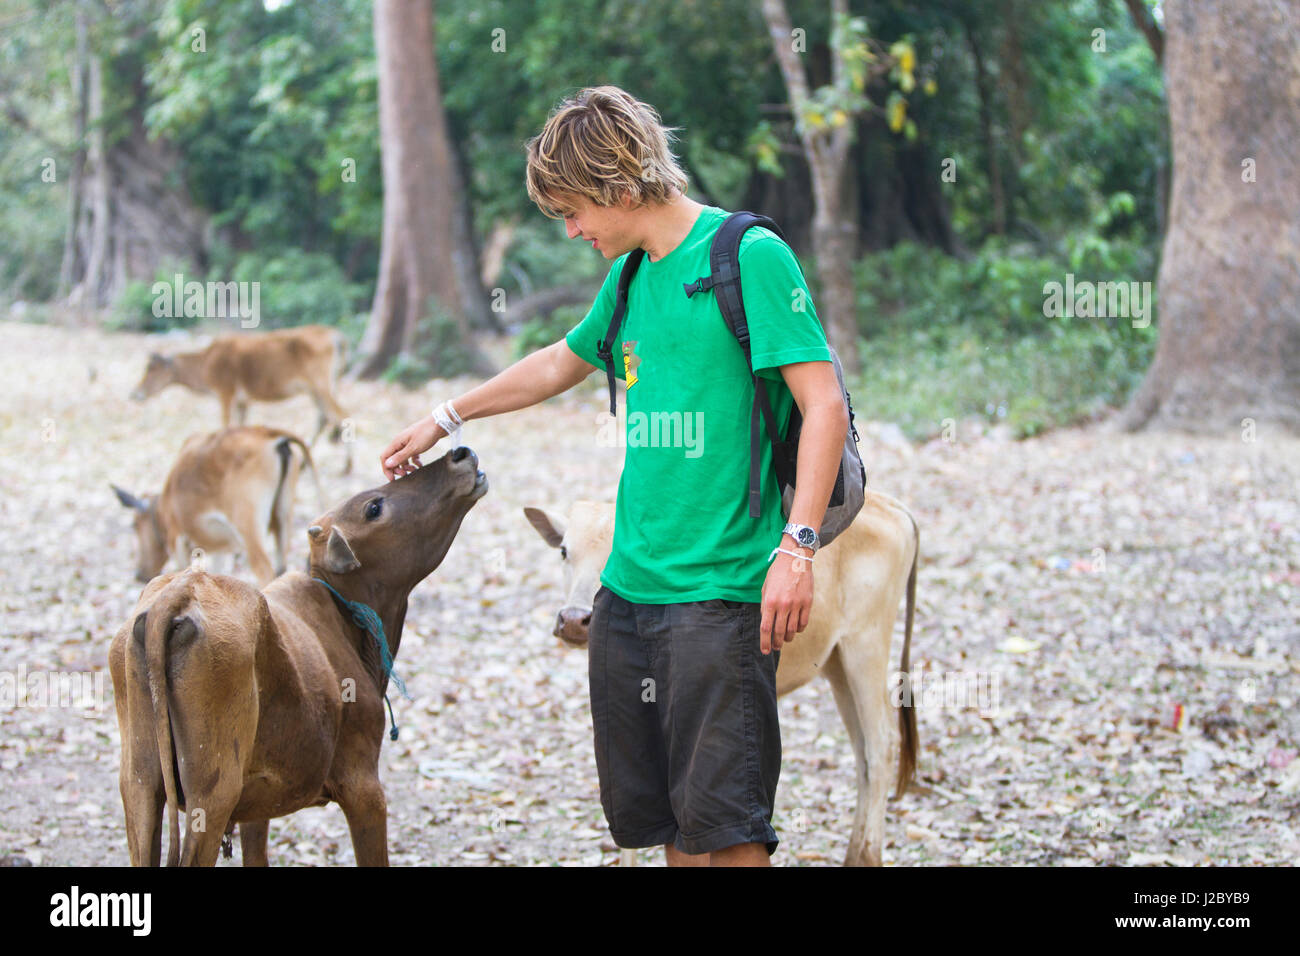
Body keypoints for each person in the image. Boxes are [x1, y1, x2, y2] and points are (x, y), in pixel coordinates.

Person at [380, 86, 848, 867]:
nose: (571, 231)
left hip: (718, 595)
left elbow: (823, 403)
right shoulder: (631, 274)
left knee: (729, 829)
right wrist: (447, 416)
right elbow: (562, 360)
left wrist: (797, 549)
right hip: (628, 596)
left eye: (574, 211)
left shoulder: (749, 258)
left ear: (622, 188)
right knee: (667, 823)